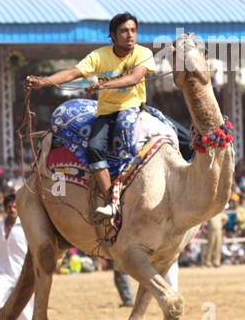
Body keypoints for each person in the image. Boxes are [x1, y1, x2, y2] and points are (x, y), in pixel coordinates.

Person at [26, 12, 155, 218]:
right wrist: (44, 82)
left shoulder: (143, 53)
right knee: (94, 149)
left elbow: (134, 78)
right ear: (113, 35)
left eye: (133, 30)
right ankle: (112, 203)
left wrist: (103, 84)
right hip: (107, 113)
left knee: (180, 137)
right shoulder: (99, 56)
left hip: (134, 110)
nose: (130, 35)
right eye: (124, 31)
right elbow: (71, 74)